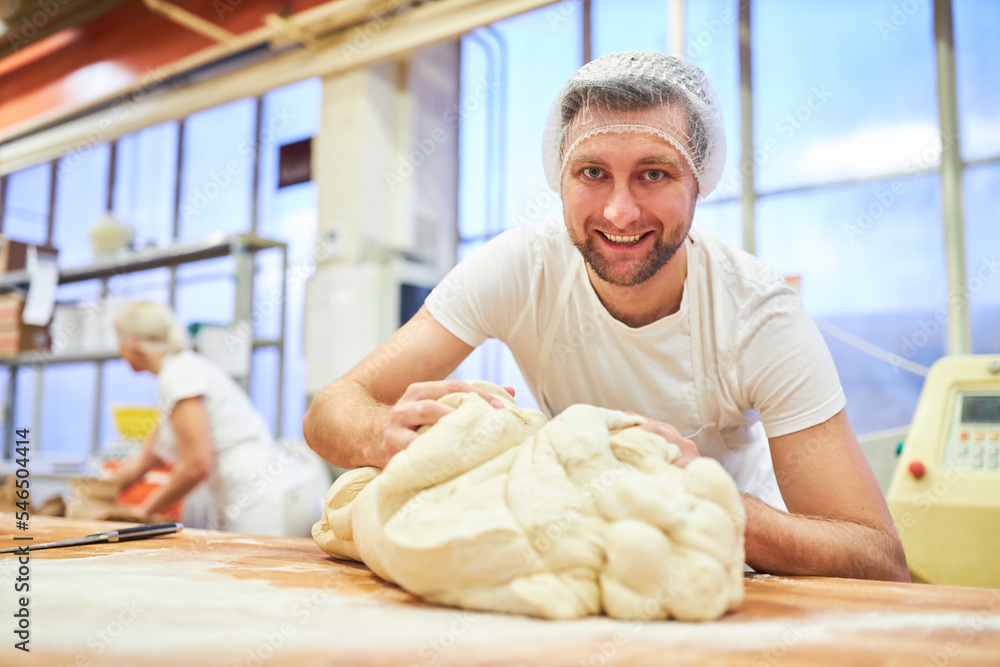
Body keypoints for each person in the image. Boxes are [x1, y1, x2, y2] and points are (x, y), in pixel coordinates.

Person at [303, 52, 909, 582]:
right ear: (559, 179)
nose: (620, 212)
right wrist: (383, 434)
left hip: (736, 568)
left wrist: (710, 501)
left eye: (654, 173)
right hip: (591, 554)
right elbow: (331, 408)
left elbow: (878, 557)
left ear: (698, 182)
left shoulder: (758, 314)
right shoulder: (520, 268)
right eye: (593, 172)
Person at [110, 301, 289, 535]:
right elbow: (146, 457)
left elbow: (196, 465)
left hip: (258, 494)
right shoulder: (180, 370)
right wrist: (97, 493)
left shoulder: (178, 375)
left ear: (132, 342)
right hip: (252, 490)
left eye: (119, 343)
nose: (119, 352)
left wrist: (142, 511)